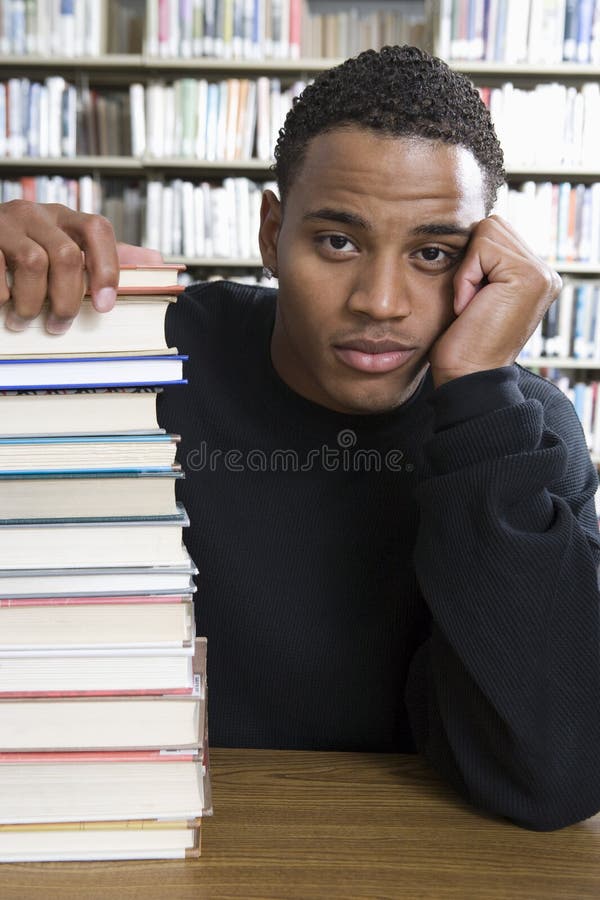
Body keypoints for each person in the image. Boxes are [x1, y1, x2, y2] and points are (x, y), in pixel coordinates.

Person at [0, 45, 599, 832]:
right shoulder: (137, 360)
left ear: (486, 264)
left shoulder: (514, 428)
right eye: (338, 242)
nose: (380, 302)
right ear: (272, 232)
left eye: (432, 254)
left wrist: (481, 394)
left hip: (405, 859)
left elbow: (556, 775)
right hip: (124, 833)